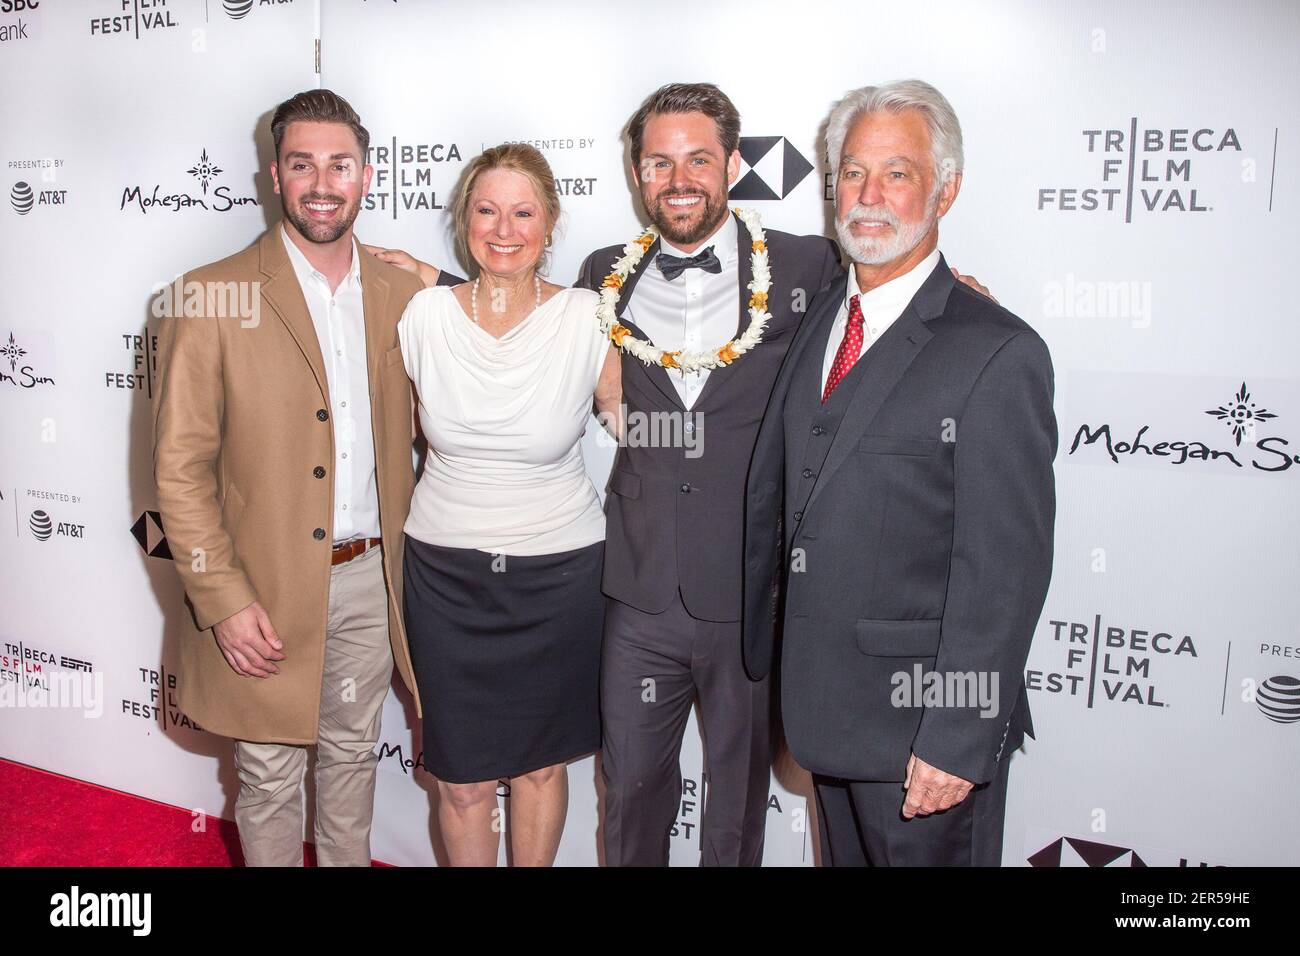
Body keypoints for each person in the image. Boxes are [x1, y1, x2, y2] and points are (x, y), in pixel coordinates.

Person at [742, 79, 1057, 866]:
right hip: (823, 716)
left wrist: (957, 737)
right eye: (853, 173)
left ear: (946, 188)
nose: (869, 195)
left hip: (923, 740)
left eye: (898, 173)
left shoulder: (997, 352)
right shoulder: (819, 321)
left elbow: (1004, 570)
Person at [153, 88, 454, 866]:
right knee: (269, 777)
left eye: (340, 165)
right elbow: (180, 472)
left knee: (353, 763)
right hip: (261, 584)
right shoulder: (209, 296)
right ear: (274, 175)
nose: (323, 183)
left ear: (366, 174)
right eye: (302, 164)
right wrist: (222, 597)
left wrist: (435, 274)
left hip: (369, 581)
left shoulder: (403, 294)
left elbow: (507, 319)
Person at [396, 143, 621, 866]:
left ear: (549, 222)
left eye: (523, 211)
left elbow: (637, 427)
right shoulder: (423, 315)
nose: (504, 228)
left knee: (539, 766)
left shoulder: (589, 317)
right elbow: (383, 432)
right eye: (486, 210)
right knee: (459, 781)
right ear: (465, 221)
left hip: (561, 577)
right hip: (444, 578)